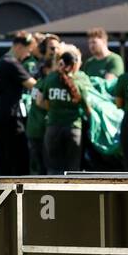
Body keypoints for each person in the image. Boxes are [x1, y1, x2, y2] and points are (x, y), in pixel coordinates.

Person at [37, 44, 92, 174]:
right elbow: (88, 110)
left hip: (53, 128)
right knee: (72, 169)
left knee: (53, 168)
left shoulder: (50, 79)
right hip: (73, 129)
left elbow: (39, 101)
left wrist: (52, 107)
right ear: (74, 65)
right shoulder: (79, 83)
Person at [0, 32, 37, 175]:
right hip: (10, 117)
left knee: (4, 157)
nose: (28, 55)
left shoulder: (1, 61)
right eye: (28, 51)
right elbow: (33, 85)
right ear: (18, 46)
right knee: (20, 158)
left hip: (0, 114)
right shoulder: (11, 62)